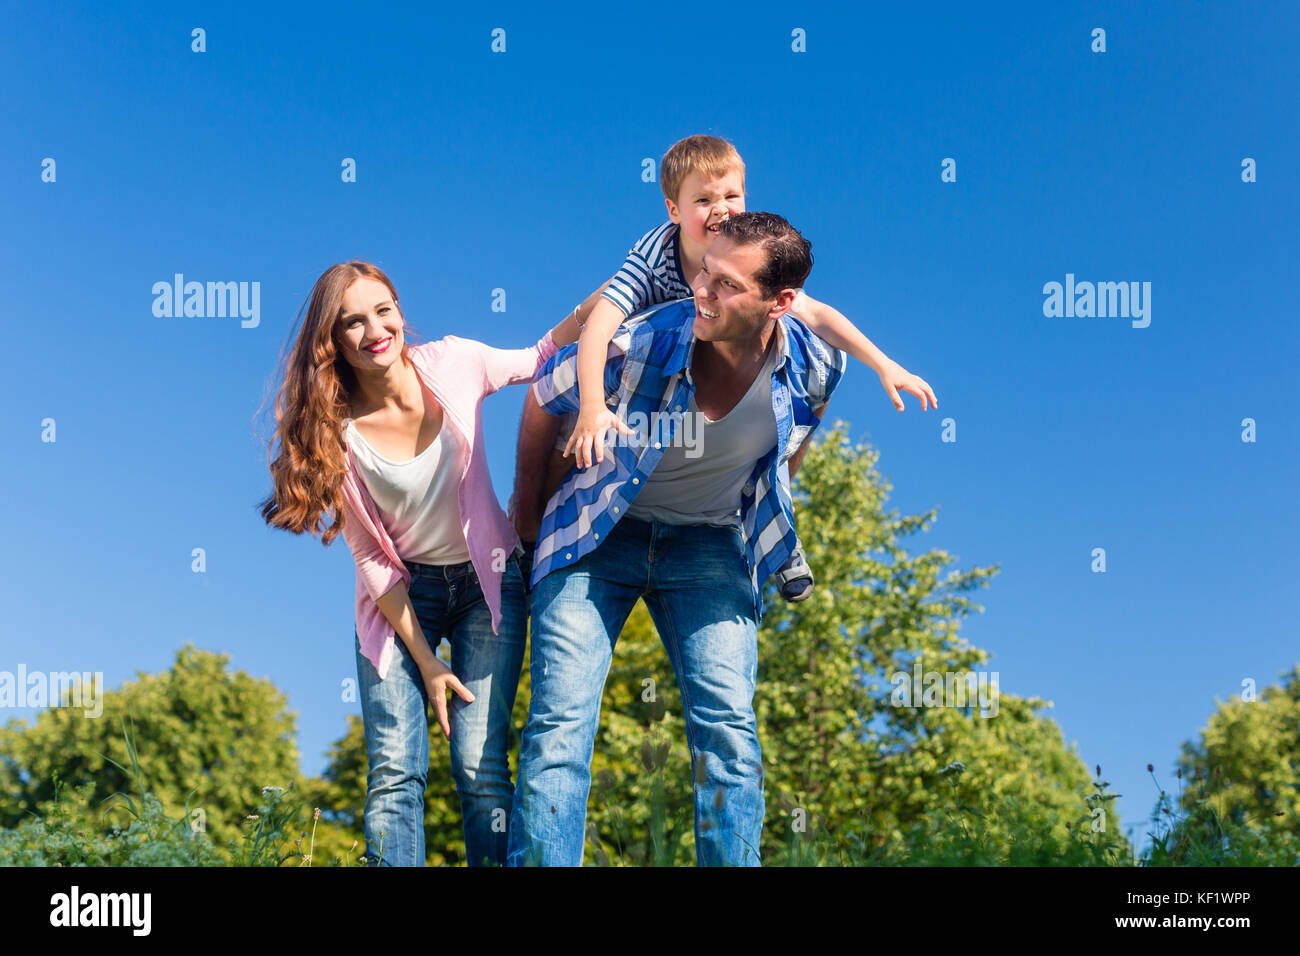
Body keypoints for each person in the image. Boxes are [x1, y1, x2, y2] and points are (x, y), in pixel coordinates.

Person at [507, 213, 846, 866]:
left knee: (729, 733)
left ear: (781, 303)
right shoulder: (638, 341)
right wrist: (527, 520)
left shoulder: (817, 366)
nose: (703, 292)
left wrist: (765, 493)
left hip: (709, 545)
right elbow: (540, 400)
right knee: (560, 727)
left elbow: (801, 428)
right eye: (704, 274)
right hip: (595, 538)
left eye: (727, 285)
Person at [516, 133, 937, 604]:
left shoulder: (746, 250)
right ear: (673, 210)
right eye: (703, 199)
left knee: (769, 442)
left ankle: (777, 534)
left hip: (705, 348)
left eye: (731, 195)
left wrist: (884, 364)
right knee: (585, 367)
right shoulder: (656, 255)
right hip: (642, 354)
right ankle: (536, 375)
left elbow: (815, 313)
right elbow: (598, 328)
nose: (721, 208)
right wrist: (593, 405)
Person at [258, 260, 579, 865]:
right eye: (351, 322)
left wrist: (607, 307)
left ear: (401, 313)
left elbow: (540, 354)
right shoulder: (335, 433)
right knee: (395, 774)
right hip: (402, 604)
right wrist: (429, 664)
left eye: (382, 310)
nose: (373, 329)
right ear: (333, 342)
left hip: (489, 586)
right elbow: (372, 562)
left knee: (481, 767)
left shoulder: (454, 363)